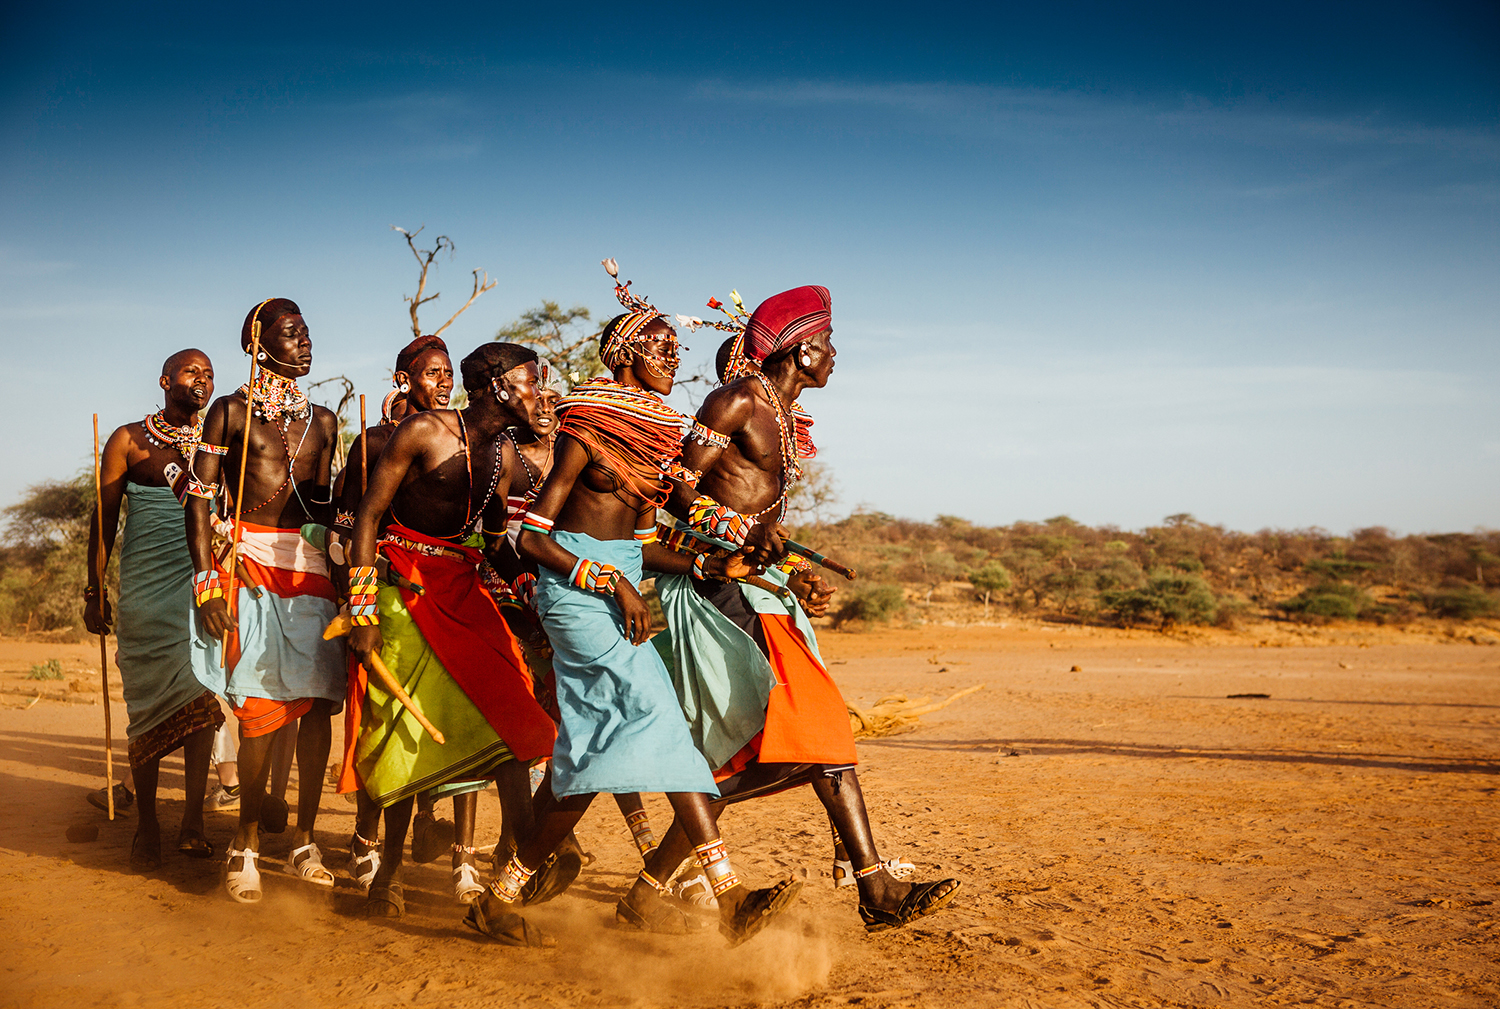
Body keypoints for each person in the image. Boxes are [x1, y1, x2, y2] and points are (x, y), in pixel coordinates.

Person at [488, 271, 801, 949]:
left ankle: (501, 894)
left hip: (622, 588)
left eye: (675, 349)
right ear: (626, 354)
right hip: (574, 594)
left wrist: (729, 550)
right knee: (659, 726)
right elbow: (532, 536)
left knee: (594, 760)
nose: (673, 357)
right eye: (661, 348)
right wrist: (613, 583)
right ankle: (730, 895)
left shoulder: (661, 433)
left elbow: (656, 531)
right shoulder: (588, 423)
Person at [650, 285, 959, 934]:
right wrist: (739, 535)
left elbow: (759, 517)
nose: (837, 355)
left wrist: (788, 568)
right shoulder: (737, 400)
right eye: (830, 343)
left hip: (754, 583)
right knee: (792, 741)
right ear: (800, 347)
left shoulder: (784, 418)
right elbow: (673, 487)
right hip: (711, 582)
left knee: (810, 737)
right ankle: (872, 887)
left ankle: (872, 887)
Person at [345, 342, 559, 918]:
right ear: (497, 388)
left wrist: (535, 599)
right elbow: (366, 516)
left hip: (465, 590)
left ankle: (521, 866)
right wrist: (362, 611)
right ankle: (386, 877)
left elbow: (495, 546)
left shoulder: (504, 458)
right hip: (403, 589)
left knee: (515, 707)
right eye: (531, 381)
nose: (540, 392)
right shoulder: (422, 431)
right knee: (405, 728)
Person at [186, 298, 344, 903]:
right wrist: (205, 584)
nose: (304, 341)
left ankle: (305, 840)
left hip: (310, 572)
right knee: (255, 713)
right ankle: (245, 843)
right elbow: (199, 500)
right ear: (258, 342)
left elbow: (327, 510)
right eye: (290, 332)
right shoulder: (228, 412)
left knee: (318, 706)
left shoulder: (325, 420)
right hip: (248, 567)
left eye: (307, 330)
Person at [84, 349, 225, 869]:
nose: (202, 380)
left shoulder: (221, 441)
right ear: (165, 380)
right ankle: (147, 825)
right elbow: (103, 521)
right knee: (144, 710)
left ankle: (192, 823)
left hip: (199, 587)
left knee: (200, 702)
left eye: (209, 374)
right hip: (144, 591)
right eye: (192, 371)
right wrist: (93, 589)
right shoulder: (128, 439)